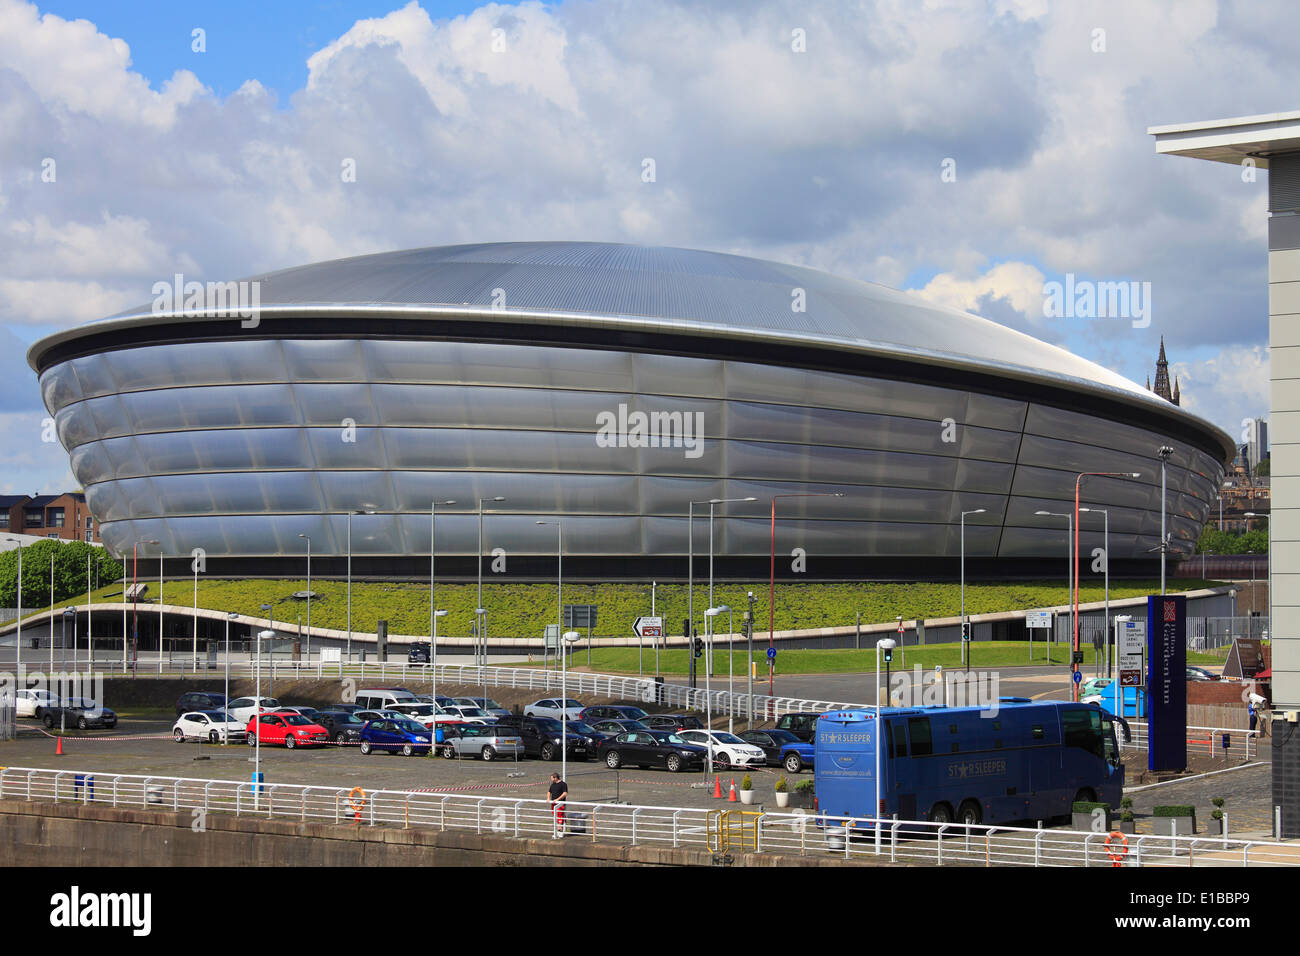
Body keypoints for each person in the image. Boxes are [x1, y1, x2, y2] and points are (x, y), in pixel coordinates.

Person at [547, 772, 568, 837]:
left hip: (560, 803)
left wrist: (558, 799)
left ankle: (560, 831)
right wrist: (548, 798)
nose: (551, 779)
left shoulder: (563, 784)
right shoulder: (553, 784)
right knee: (555, 816)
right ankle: (558, 830)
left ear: (555, 778)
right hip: (553, 803)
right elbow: (549, 792)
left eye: (552, 778)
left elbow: (565, 793)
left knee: (560, 816)